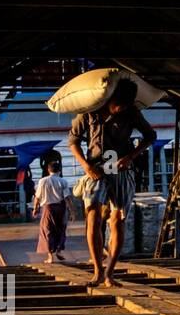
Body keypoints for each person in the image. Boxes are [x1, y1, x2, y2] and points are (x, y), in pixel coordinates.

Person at [68, 78, 156, 286]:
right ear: (111, 98)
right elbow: (72, 141)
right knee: (93, 217)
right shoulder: (90, 111)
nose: (122, 108)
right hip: (95, 169)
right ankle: (97, 271)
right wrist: (86, 166)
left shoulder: (132, 112)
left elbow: (150, 136)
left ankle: (109, 273)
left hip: (120, 169)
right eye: (120, 104)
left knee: (117, 220)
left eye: (126, 105)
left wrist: (131, 156)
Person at [33, 156, 73, 263]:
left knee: (47, 230)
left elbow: (37, 197)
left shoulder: (42, 181)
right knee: (61, 229)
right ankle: (59, 250)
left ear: (48, 170)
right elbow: (67, 198)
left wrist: (35, 208)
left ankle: (50, 255)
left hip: (48, 208)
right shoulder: (63, 181)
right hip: (61, 207)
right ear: (59, 170)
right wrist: (72, 211)